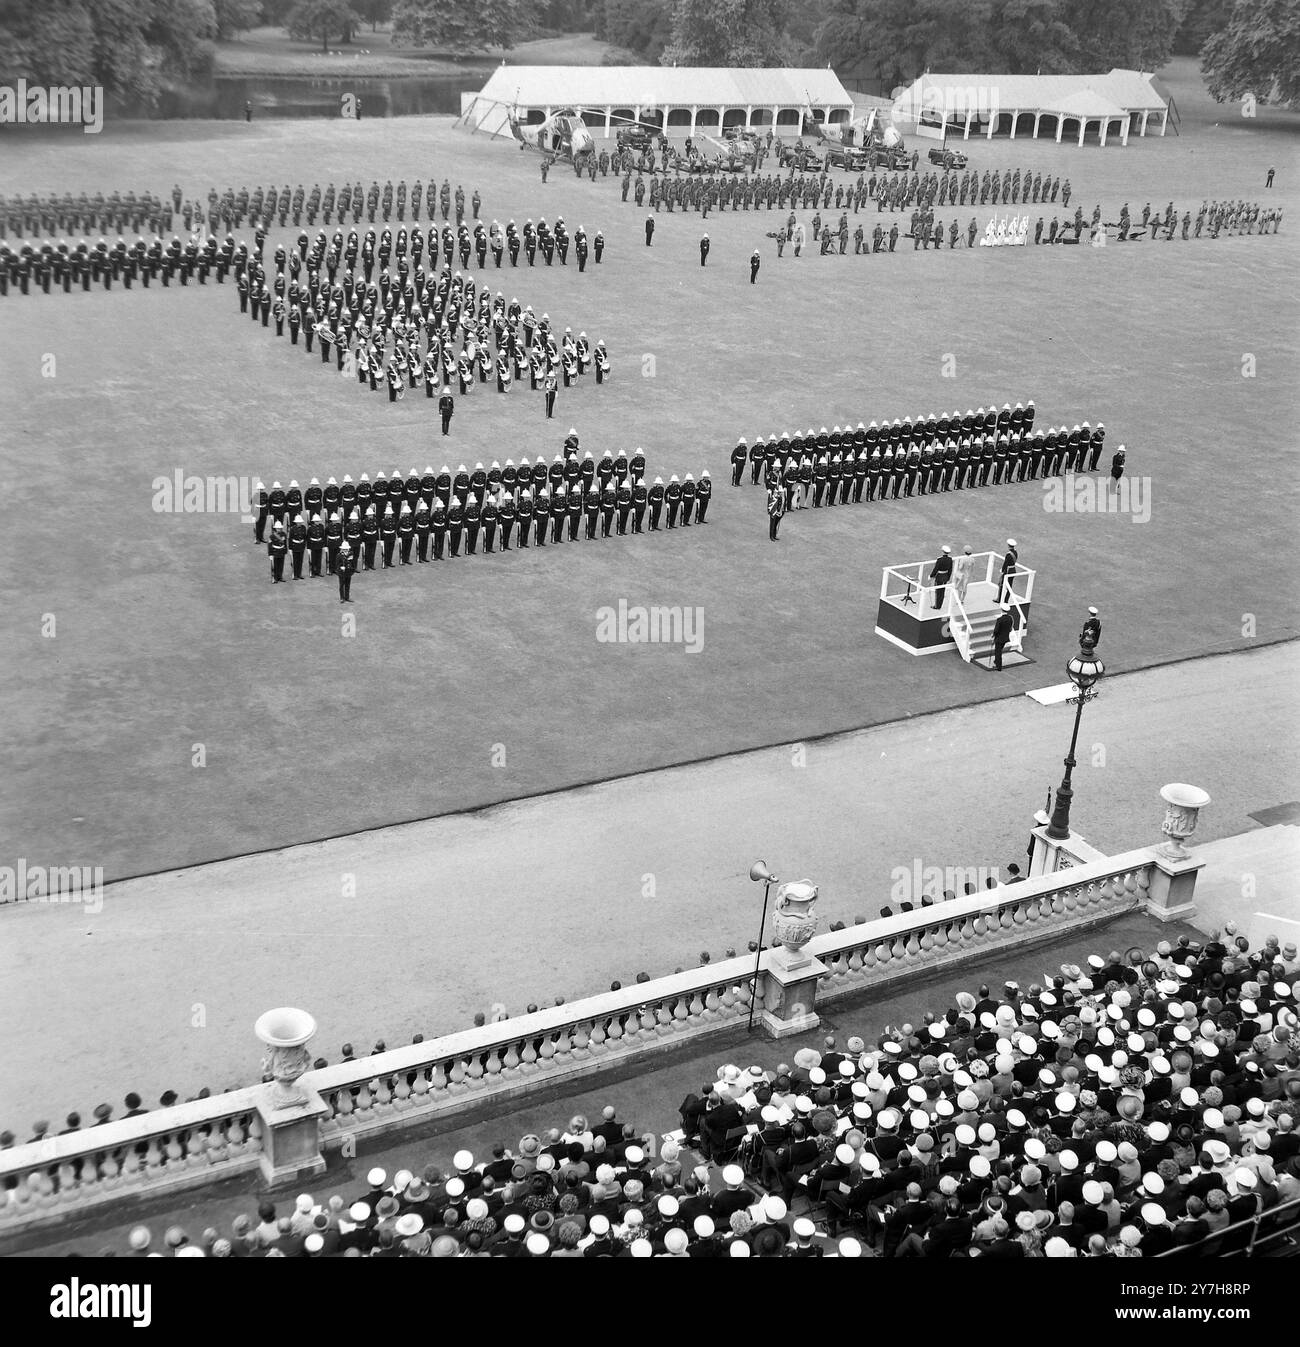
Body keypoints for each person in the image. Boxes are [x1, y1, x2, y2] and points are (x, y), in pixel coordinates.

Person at [929, 546, 953, 611]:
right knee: (942, 591)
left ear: (943, 552)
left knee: (938, 591)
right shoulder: (950, 559)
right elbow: (950, 570)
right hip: (945, 576)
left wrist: (931, 576)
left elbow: (936, 569)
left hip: (939, 576)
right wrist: (948, 577)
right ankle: (940, 605)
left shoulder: (939, 560)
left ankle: (937, 606)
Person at [992, 604, 1015, 671]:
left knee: (998, 652)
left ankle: (998, 666)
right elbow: (1010, 628)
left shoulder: (1000, 619)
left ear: (1001, 610)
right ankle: (996, 661)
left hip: (999, 638)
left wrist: (993, 635)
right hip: (1005, 637)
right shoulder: (1010, 618)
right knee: (999, 650)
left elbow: (996, 630)